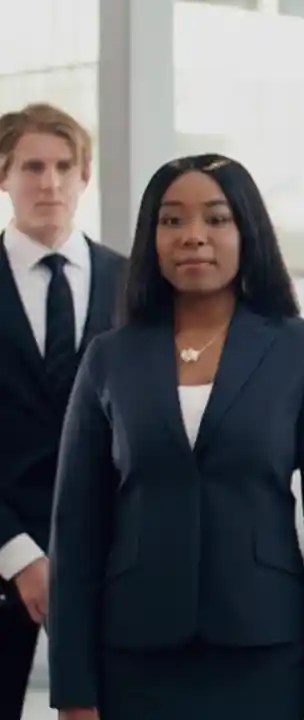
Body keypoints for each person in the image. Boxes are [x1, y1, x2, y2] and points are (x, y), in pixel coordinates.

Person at [46, 154, 304, 720]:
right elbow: (76, 532)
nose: (193, 237)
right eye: (172, 221)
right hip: (134, 657)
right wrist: (73, 690)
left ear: (248, 231)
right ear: (152, 238)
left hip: (267, 653)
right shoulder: (109, 358)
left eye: (216, 219)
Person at [0, 102, 126, 719]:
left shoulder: (136, 287)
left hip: (116, 554)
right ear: (4, 176)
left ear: (85, 175)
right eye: (32, 167)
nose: (49, 182)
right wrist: (19, 553)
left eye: (63, 166)